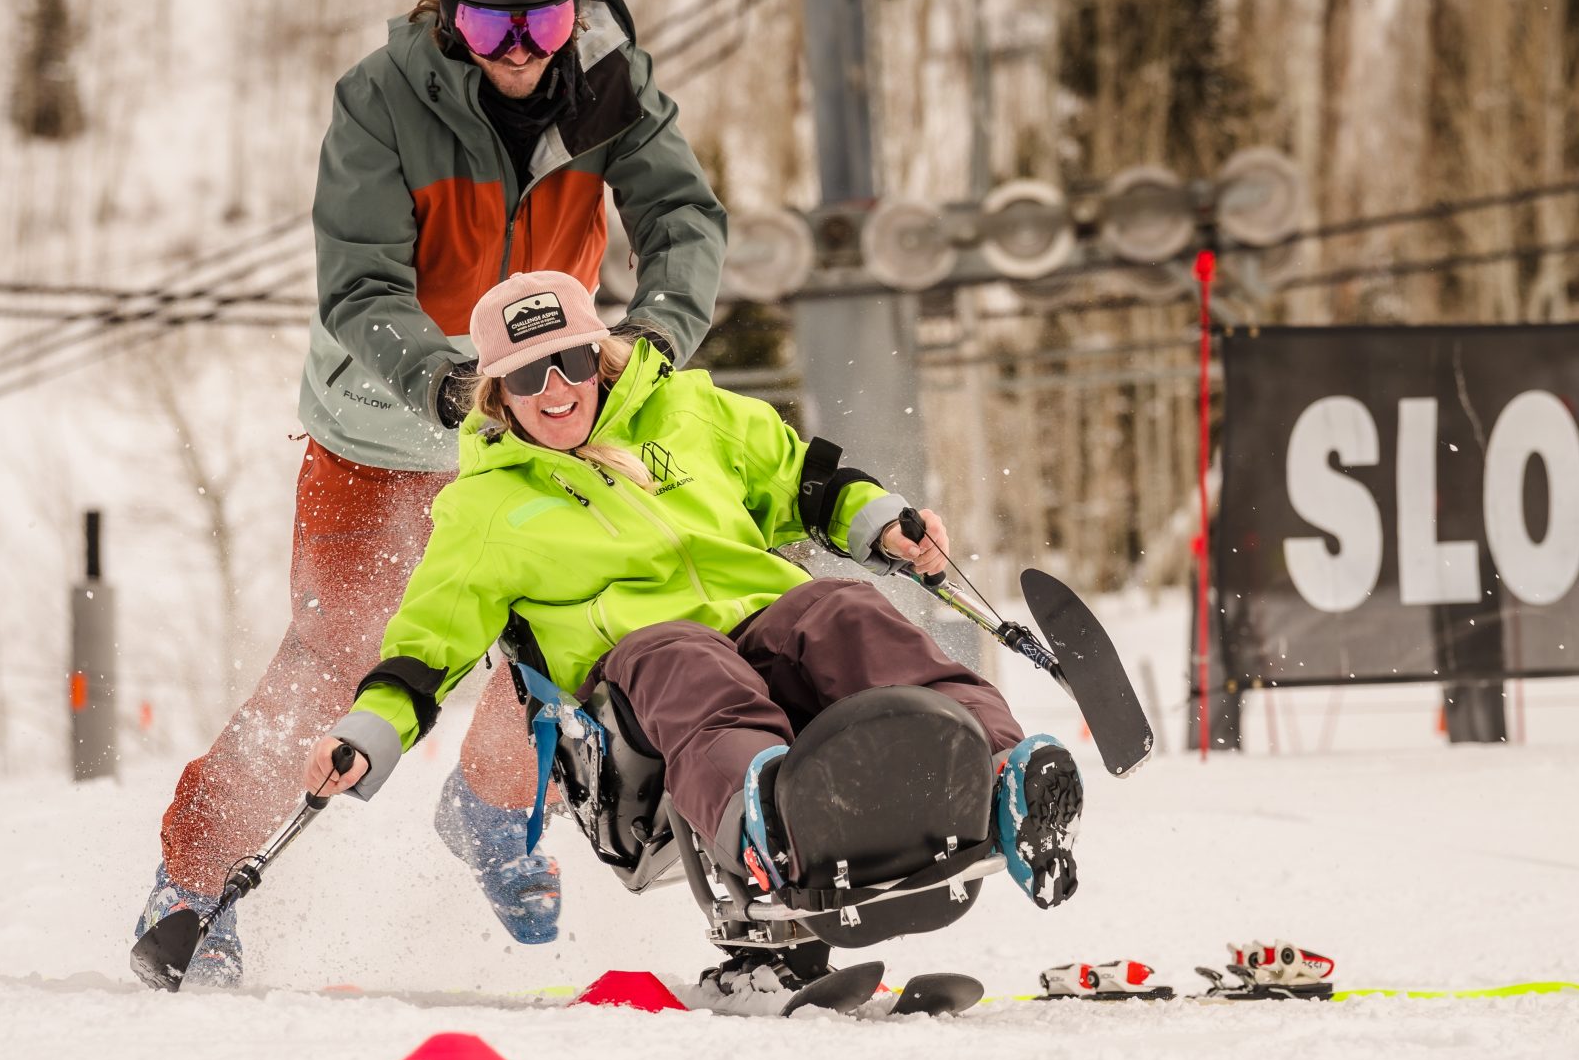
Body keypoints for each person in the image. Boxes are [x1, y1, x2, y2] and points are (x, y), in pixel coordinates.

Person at [136, 0, 728, 985]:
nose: (517, 54)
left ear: (572, 14)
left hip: (549, 403)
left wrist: (655, 334)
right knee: (339, 661)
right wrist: (445, 384)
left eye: (541, 27)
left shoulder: (610, 89)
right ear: (447, 15)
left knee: (563, 632)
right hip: (387, 414)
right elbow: (358, 283)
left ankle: (491, 810)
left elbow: (683, 221)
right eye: (490, 29)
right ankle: (195, 878)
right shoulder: (381, 99)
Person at [298, 270, 1086, 992]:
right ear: (499, 394)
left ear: (599, 357)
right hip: (636, 702)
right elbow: (426, 647)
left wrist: (879, 523)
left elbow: (802, 477)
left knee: (843, 612)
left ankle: (1007, 773)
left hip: (764, 629)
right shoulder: (483, 508)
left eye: (569, 360)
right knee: (683, 654)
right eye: (528, 375)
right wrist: (369, 731)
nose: (556, 389)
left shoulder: (688, 412)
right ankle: (767, 822)